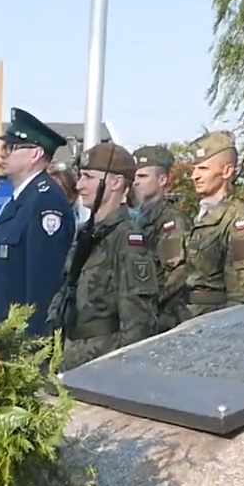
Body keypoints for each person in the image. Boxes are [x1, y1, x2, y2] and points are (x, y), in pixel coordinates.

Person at [53, 142, 160, 370]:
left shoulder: (128, 238)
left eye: (88, 177)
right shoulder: (86, 234)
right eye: (80, 176)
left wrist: (122, 371)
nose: (79, 185)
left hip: (102, 362)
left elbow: (138, 321)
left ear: (116, 183)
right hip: (70, 357)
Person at [0, 109, 74, 338]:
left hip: (22, 339)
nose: (2, 154)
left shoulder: (45, 202)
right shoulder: (20, 200)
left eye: (10, 147)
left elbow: (43, 284)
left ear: (36, 154)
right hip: (2, 333)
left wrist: (33, 344)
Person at [179, 130, 244, 320]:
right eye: (194, 169)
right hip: (190, 317)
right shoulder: (203, 216)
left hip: (213, 319)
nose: (194, 176)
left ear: (226, 171)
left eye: (203, 169)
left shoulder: (238, 219)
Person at [129, 145, 192, 328]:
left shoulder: (171, 220)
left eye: (142, 176)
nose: (135, 182)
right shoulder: (133, 219)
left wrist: (147, 305)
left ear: (162, 179)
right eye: (134, 177)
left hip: (164, 316)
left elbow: (176, 274)